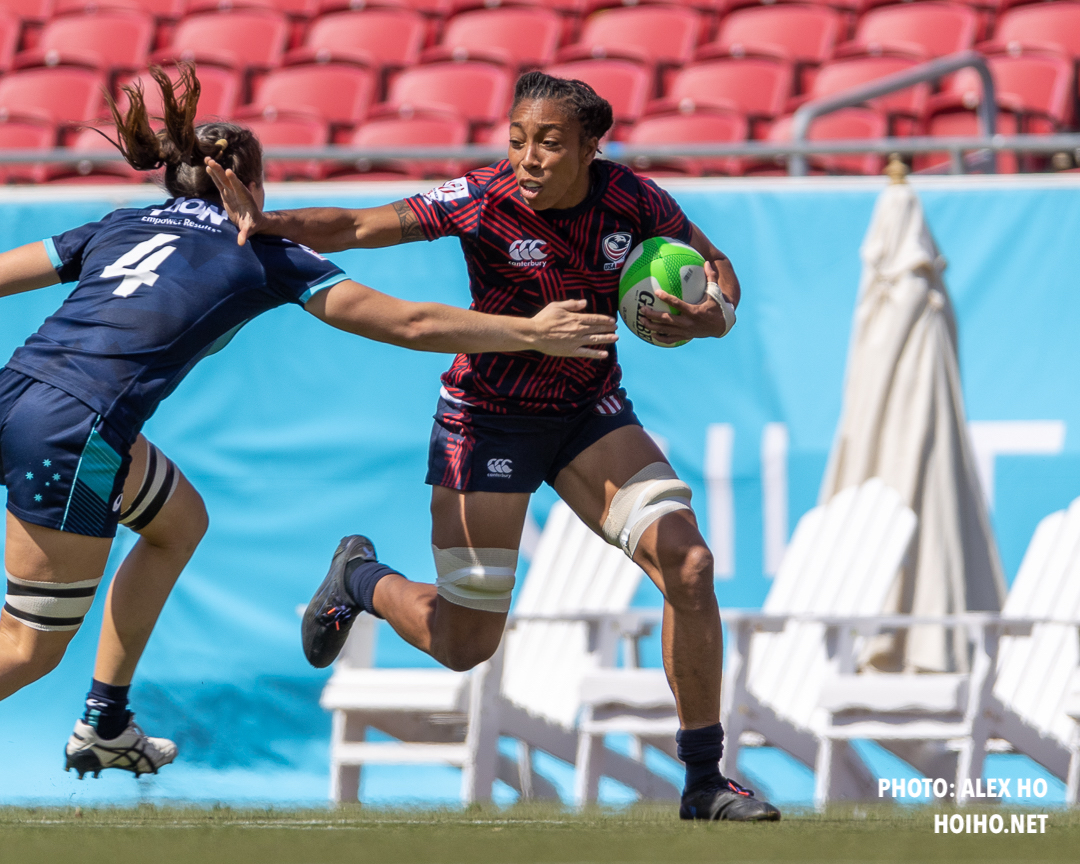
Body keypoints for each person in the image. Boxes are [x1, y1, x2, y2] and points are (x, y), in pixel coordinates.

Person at [0, 65, 618, 780]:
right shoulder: (261, 249)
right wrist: (531, 332)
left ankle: (105, 721)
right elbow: (411, 322)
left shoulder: (119, 223)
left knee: (178, 522)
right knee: (27, 649)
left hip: (16, 393)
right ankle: (99, 716)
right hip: (77, 434)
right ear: (254, 190)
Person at [209, 71, 780, 821]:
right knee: (464, 641)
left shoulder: (633, 201)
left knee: (692, 564)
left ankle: (705, 781)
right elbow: (357, 227)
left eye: (548, 142)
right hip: (485, 420)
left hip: (588, 415)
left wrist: (716, 316)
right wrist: (269, 220)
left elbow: (717, 270)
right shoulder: (485, 198)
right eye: (517, 139)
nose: (528, 157)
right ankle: (361, 579)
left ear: (589, 148)